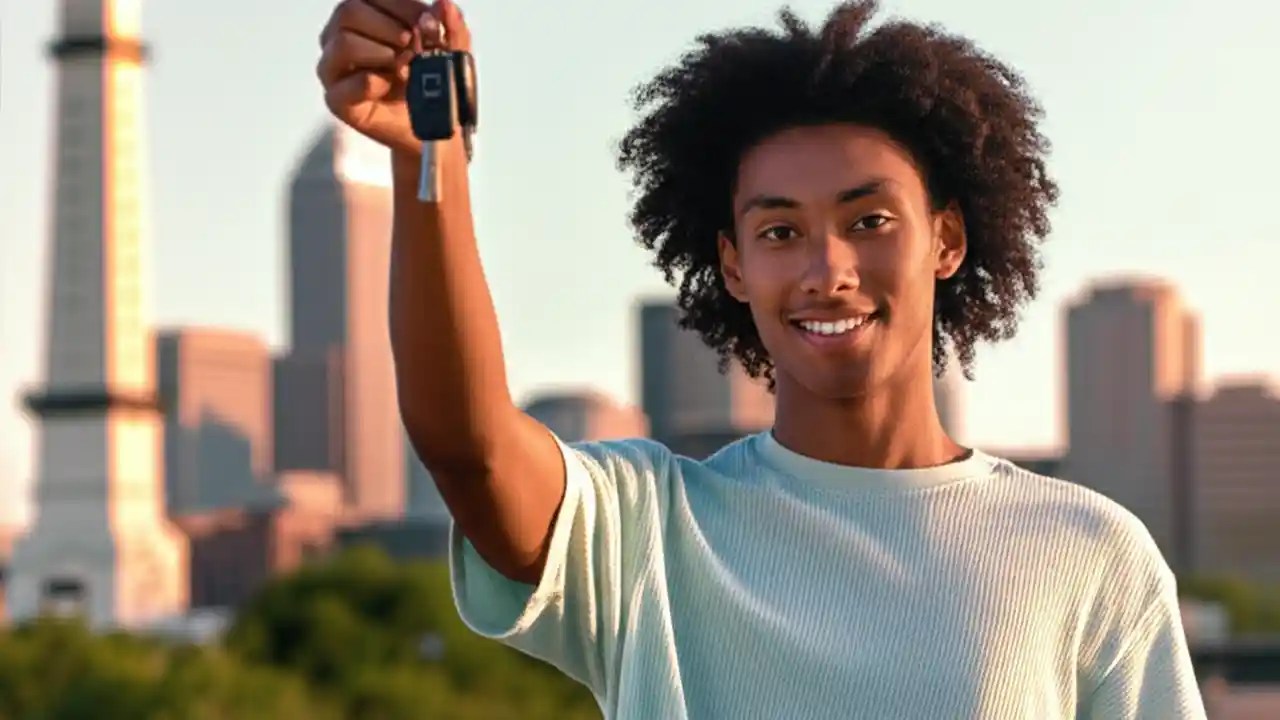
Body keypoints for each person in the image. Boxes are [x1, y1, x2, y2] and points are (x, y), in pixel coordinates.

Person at [315, 0, 1208, 717]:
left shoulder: (1093, 558)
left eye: (870, 221)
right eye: (781, 231)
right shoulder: (649, 533)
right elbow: (467, 449)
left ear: (946, 237)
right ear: (734, 266)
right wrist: (431, 159)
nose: (828, 270)